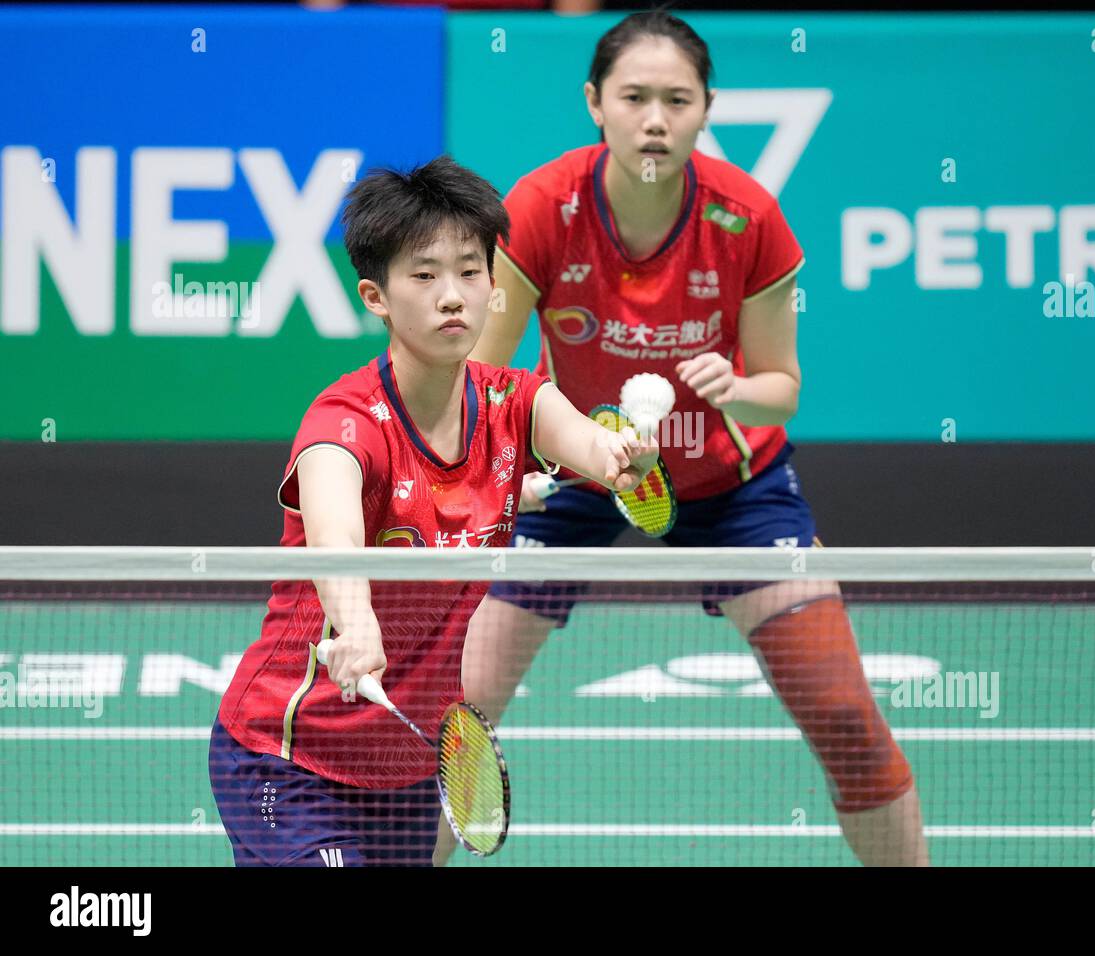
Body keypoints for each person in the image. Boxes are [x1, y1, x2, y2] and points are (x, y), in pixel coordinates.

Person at [458, 11, 929, 866]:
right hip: (576, 474)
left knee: (845, 717)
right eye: (634, 97)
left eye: (677, 100)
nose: (655, 119)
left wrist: (735, 388)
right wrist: (510, 474)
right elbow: (483, 389)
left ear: (707, 108)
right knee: (456, 716)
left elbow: (780, 393)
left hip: (731, 491)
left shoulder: (748, 218)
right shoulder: (540, 208)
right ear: (594, 103)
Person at [209, 155, 658, 866]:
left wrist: (620, 458)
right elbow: (333, 537)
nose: (453, 295)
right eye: (424, 275)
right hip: (289, 756)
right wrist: (354, 622)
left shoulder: (516, 402)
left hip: (409, 766)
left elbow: (589, 444)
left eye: (470, 271)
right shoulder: (345, 422)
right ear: (376, 296)